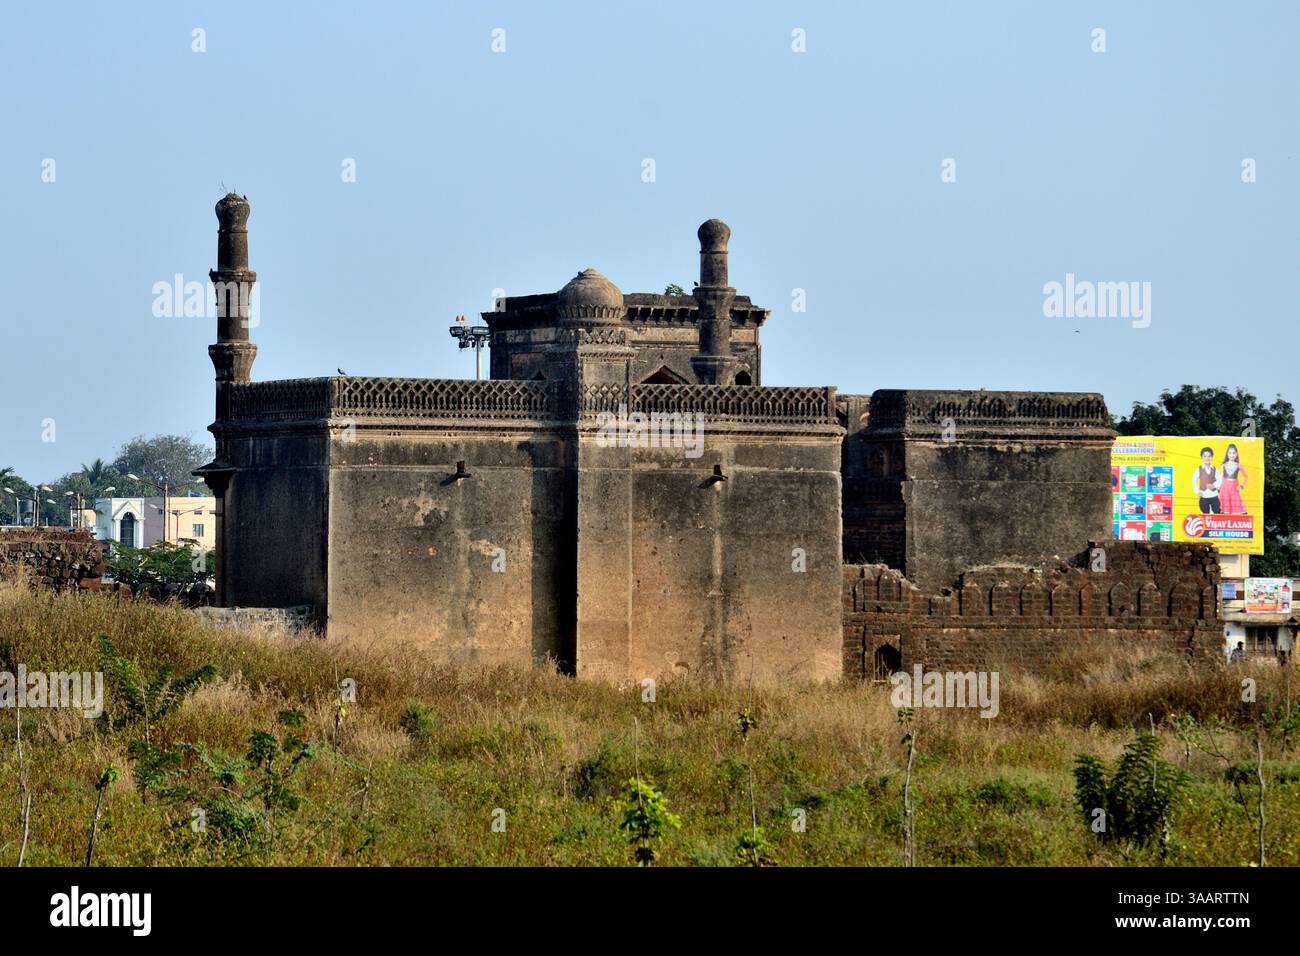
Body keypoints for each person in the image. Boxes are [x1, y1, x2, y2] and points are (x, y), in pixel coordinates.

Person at [1219, 443, 1249, 515]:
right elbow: (1220, 478)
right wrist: (1218, 490)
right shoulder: (1223, 465)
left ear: (1236, 454)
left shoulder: (1238, 465)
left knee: (1237, 511)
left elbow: (1246, 476)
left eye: (1233, 453)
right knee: (1225, 512)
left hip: (1234, 489)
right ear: (1227, 454)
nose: (1232, 455)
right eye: (1230, 453)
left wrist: (1241, 486)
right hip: (1224, 489)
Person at [1193, 446, 1221, 514]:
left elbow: (1220, 479)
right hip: (1204, 495)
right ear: (1202, 457)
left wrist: (1214, 485)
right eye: (1205, 456)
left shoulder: (1214, 468)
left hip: (1214, 495)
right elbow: (1193, 480)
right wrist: (1197, 491)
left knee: (1216, 512)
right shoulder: (1199, 469)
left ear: (1211, 457)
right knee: (1205, 514)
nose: (1207, 458)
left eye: (1209, 456)